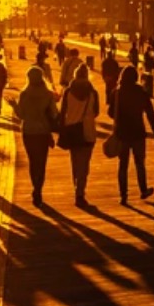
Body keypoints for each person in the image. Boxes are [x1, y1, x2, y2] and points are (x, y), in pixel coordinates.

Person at [108, 65, 154, 205]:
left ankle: (123, 195)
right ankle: (143, 189)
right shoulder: (141, 92)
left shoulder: (117, 92)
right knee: (140, 163)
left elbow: (110, 113)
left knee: (123, 165)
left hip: (122, 133)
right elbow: (150, 113)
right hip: (138, 133)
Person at [12, 65, 60, 207]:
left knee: (32, 161)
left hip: (28, 132)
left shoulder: (24, 94)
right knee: (42, 162)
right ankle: (39, 188)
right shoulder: (48, 94)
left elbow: (21, 115)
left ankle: (35, 187)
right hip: (43, 132)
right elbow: (54, 113)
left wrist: (14, 105)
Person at [58, 68, 102, 207]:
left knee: (75, 162)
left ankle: (77, 186)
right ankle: (80, 192)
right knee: (84, 164)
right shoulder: (92, 92)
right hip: (87, 130)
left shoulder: (67, 92)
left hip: (72, 130)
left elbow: (62, 112)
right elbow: (96, 112)